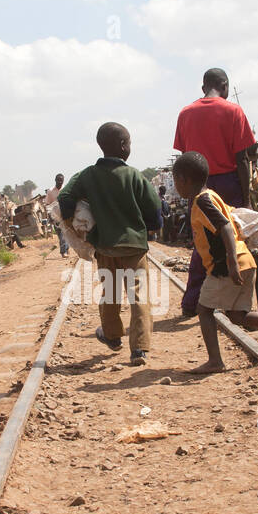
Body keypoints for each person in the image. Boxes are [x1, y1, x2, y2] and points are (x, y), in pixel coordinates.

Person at [173, 151, 258, 374]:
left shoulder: (202, 201)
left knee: (203, 310)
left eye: (176, 181)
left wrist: (230, 260)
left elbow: (225, 227)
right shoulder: (211, 195)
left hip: (226, 267)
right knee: (237, 316)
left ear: (184, 180)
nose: (176, 186)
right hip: (245, 261)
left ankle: (215, 361)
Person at [59, 122, 161, 366]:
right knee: (139, 295)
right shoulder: (134, 175)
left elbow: (65, 198)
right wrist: (149, 227)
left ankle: (113, 337)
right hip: (134, 246)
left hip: (104, 245)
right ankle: (139, 349)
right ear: (124, 146)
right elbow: (155, 210)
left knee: (110, 293)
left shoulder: (87, 175)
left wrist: (77, 223)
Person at [173, 67, 257, 314]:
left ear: (203, 88)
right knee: (236, 239)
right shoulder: (233, 111)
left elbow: (184, 159)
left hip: (198, 187)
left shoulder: (185, 114)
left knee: (203, 245)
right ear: (225, 85)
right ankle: (237, 303)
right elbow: (242, 159)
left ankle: (192, 303)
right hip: (229, 183)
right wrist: (247, 198)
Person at [44, 174, 69, 256]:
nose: (60, 182)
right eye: (58, 180)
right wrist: (49, 217)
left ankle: (64, 251)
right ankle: (65, 249)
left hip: (65, 215)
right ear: (55, 180)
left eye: (61, 180)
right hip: (55, 216)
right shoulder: (50, 191)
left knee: (65, 233)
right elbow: (47, 204)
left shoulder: (66, 189)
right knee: (60, 234)